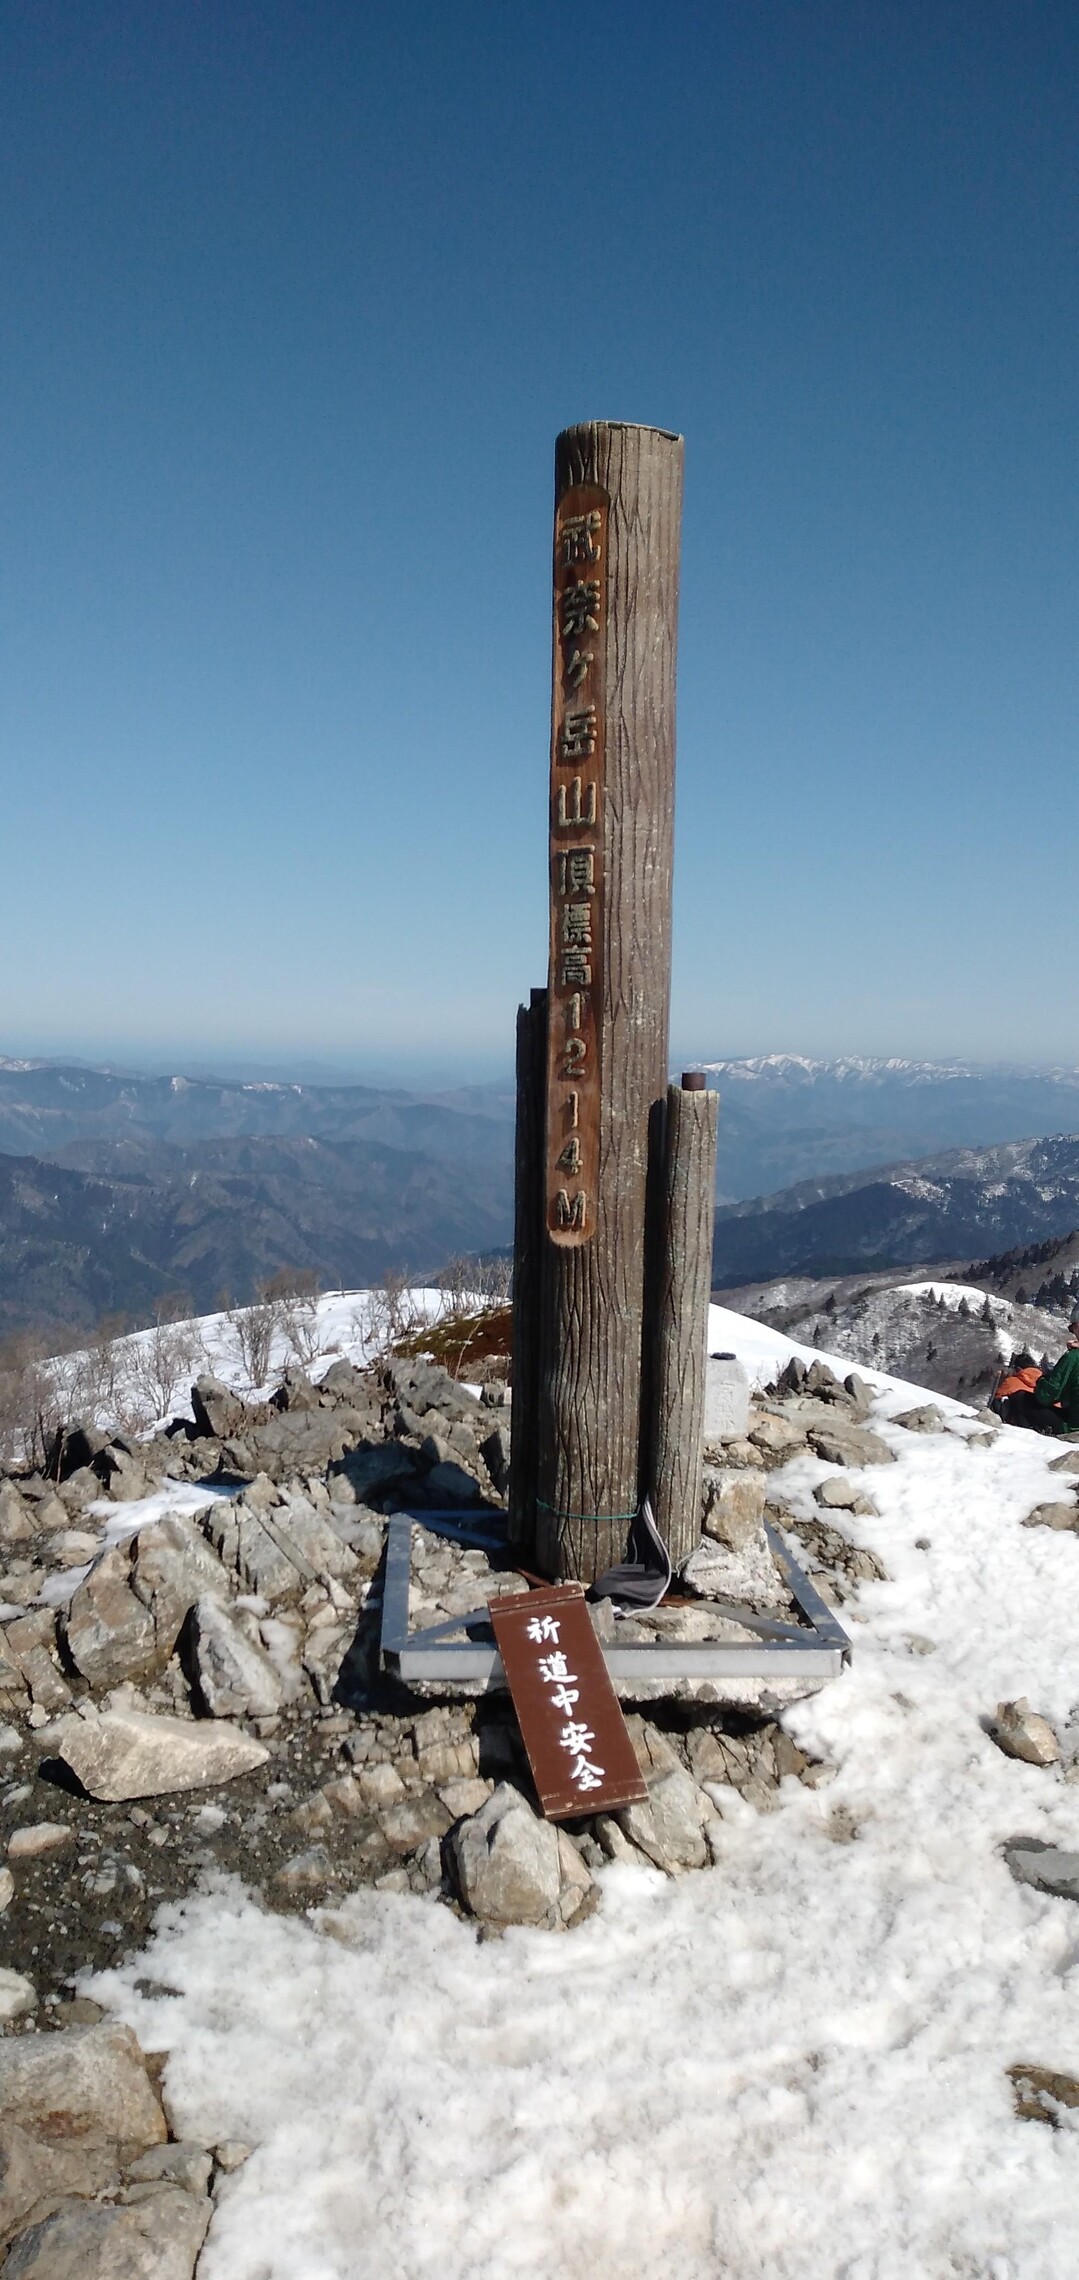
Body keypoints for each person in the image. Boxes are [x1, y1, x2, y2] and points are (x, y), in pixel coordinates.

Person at [1001, 1319, 1079, 1437]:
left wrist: (1043, 1380)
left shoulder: (1072, 1357)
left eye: (1074, 1328)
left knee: (1021, 1398)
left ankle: (1026, 1441)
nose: (1074, 1333)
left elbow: (1048, 1394)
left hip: (1072, 1427)